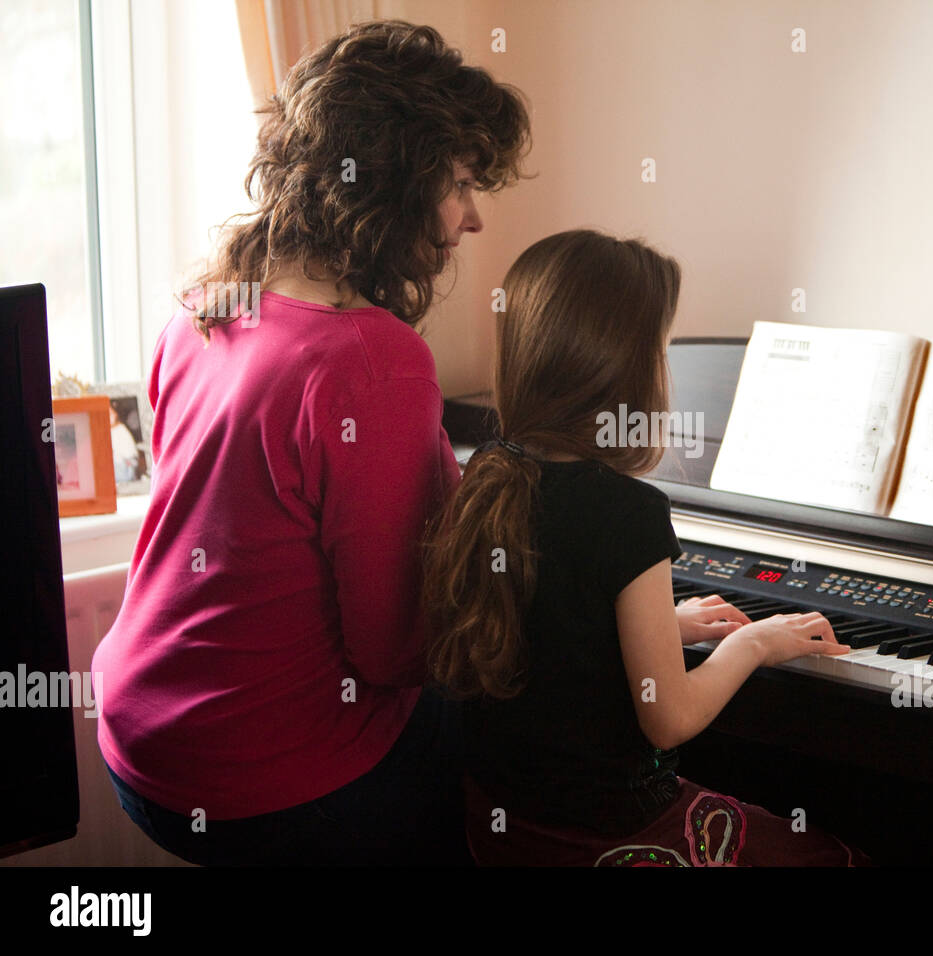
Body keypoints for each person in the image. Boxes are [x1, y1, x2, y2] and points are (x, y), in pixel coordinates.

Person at [91, 20, 531, 865]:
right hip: (258, 776)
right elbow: (396, 649)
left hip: (140, 738)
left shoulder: (206, 310)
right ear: (399, 181)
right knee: (496, 730)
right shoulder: (371, 360)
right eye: (463, 184)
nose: (472, 220)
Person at [422, 230, 868, 866]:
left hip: (507, 832)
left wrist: (665, 627)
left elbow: (554, 625)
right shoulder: (628, 513)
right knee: (836, 856)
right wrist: (754, 643)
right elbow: (670, 719)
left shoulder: (491, 476)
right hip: (617, 839)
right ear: (627, 375)